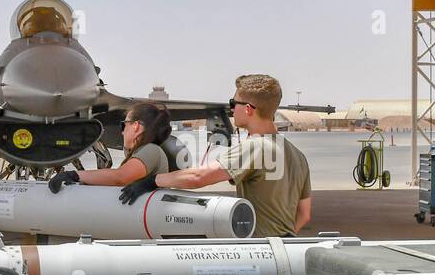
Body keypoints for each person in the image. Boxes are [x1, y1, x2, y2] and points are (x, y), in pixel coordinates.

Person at [118, 74, 312, 237]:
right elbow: (304, 215)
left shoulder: (255, 147)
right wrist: (282, 244)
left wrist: (152, 181)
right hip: (286, 248)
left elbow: (199, 177)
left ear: (248, 109)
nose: (231, 109)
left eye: (233, 103)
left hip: (258, 251)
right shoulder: (298, 155)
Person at [48, 102, 172, 192]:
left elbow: (120, 178)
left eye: (124, 125)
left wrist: (75, 175)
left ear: (136, 126)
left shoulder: (151, 150)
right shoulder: (145, 152)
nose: (122, 132)